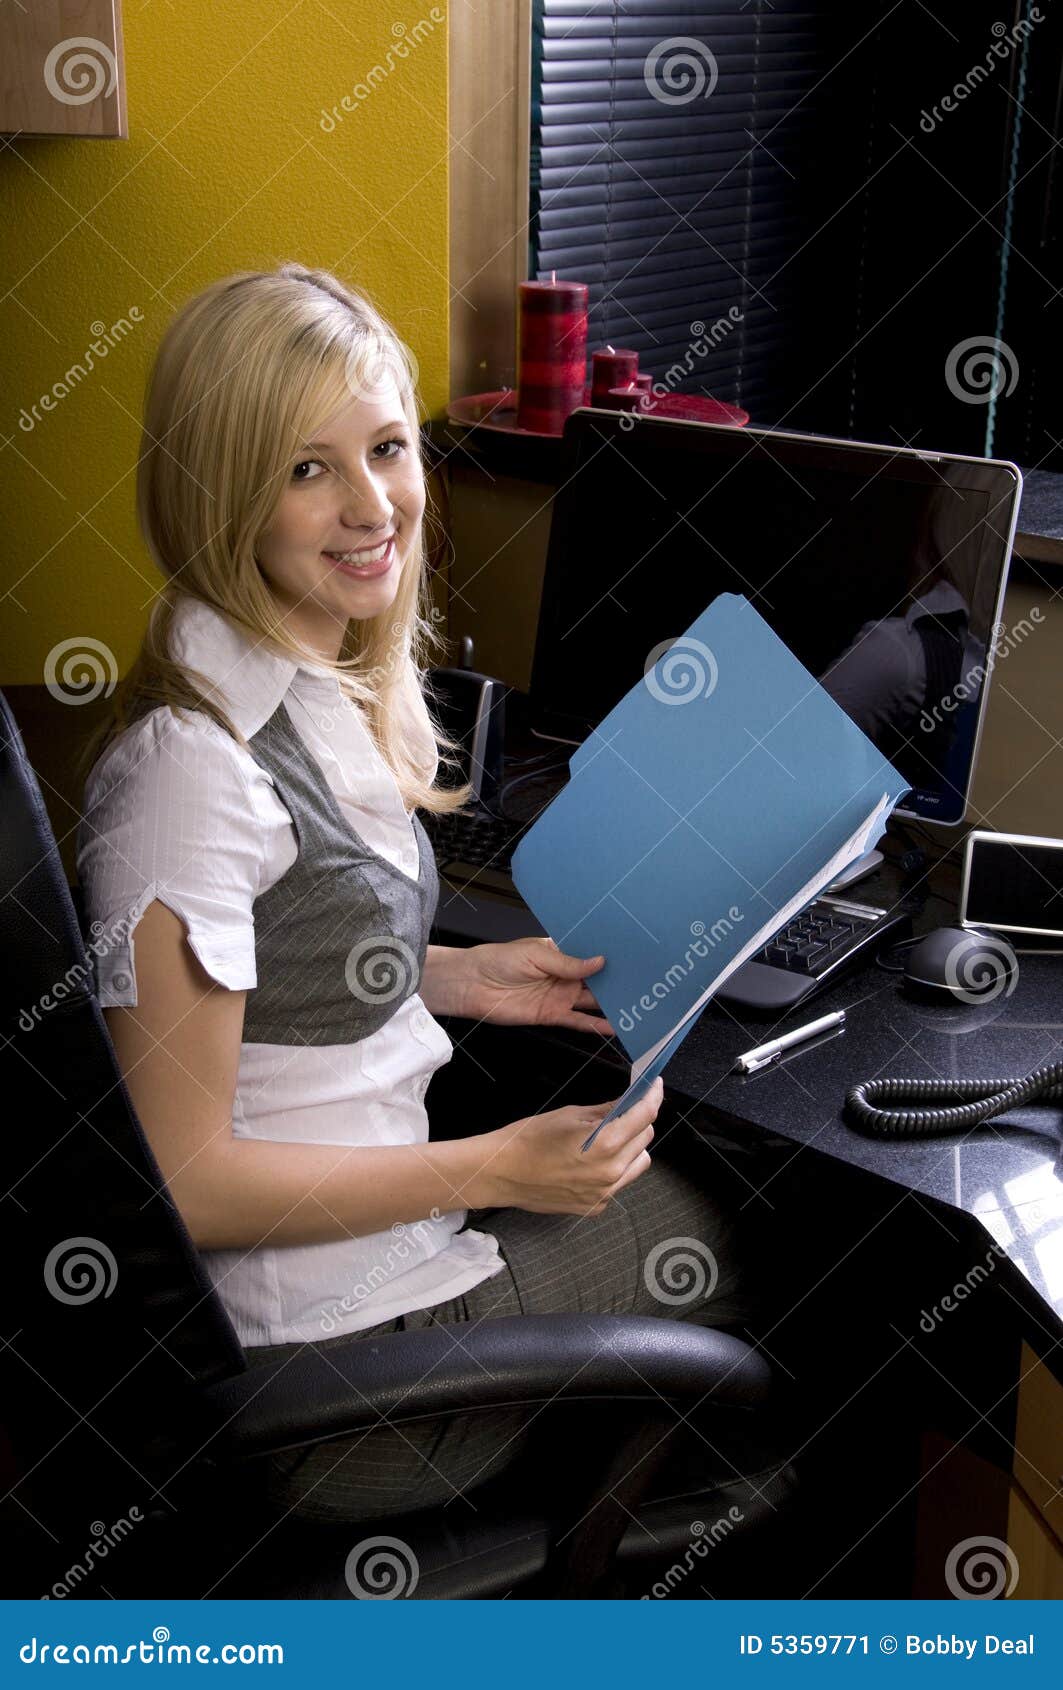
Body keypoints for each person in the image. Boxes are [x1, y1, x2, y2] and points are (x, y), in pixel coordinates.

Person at [75, 263, 757, 1526]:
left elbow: (265, 966)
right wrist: (491, 1168)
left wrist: (452, 974)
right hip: (332, 1378)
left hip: (368, 1295)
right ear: (220, 491)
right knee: (725, 1232)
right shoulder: (189, 773)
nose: (371, 503)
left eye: (386, 448)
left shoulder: (297, 677)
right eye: (306, 467)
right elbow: (186, 1179)